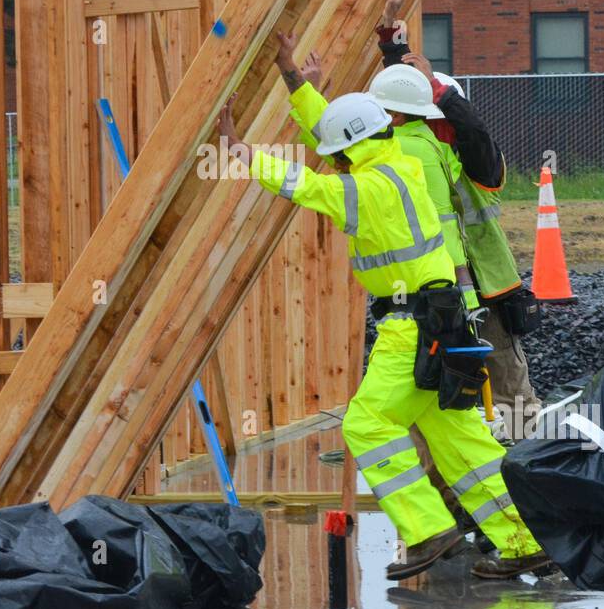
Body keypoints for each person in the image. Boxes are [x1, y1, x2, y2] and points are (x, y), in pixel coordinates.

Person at [217, 78, 550, 582]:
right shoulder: (406, 166)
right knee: (462, 441)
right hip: (448, 319)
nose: (339, 161)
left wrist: (245, 153)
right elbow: (343, 145)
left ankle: (428, 530)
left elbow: (307, 184)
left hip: (409, 326)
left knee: (366, 425)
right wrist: (297, 85)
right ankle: (524, 540)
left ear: (350, 150)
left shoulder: (362, 189)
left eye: (340, 153)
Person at [375, 0, 542, 442]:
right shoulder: (414, 150)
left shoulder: (479, 163)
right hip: (436, 296)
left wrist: (437, 90)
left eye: (436, 116)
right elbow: (400, 98)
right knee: (436, 393)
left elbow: (471, 129)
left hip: (486, 294)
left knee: (508, 393)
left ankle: (524, 465)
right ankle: (456, 480)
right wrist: (392, 40)